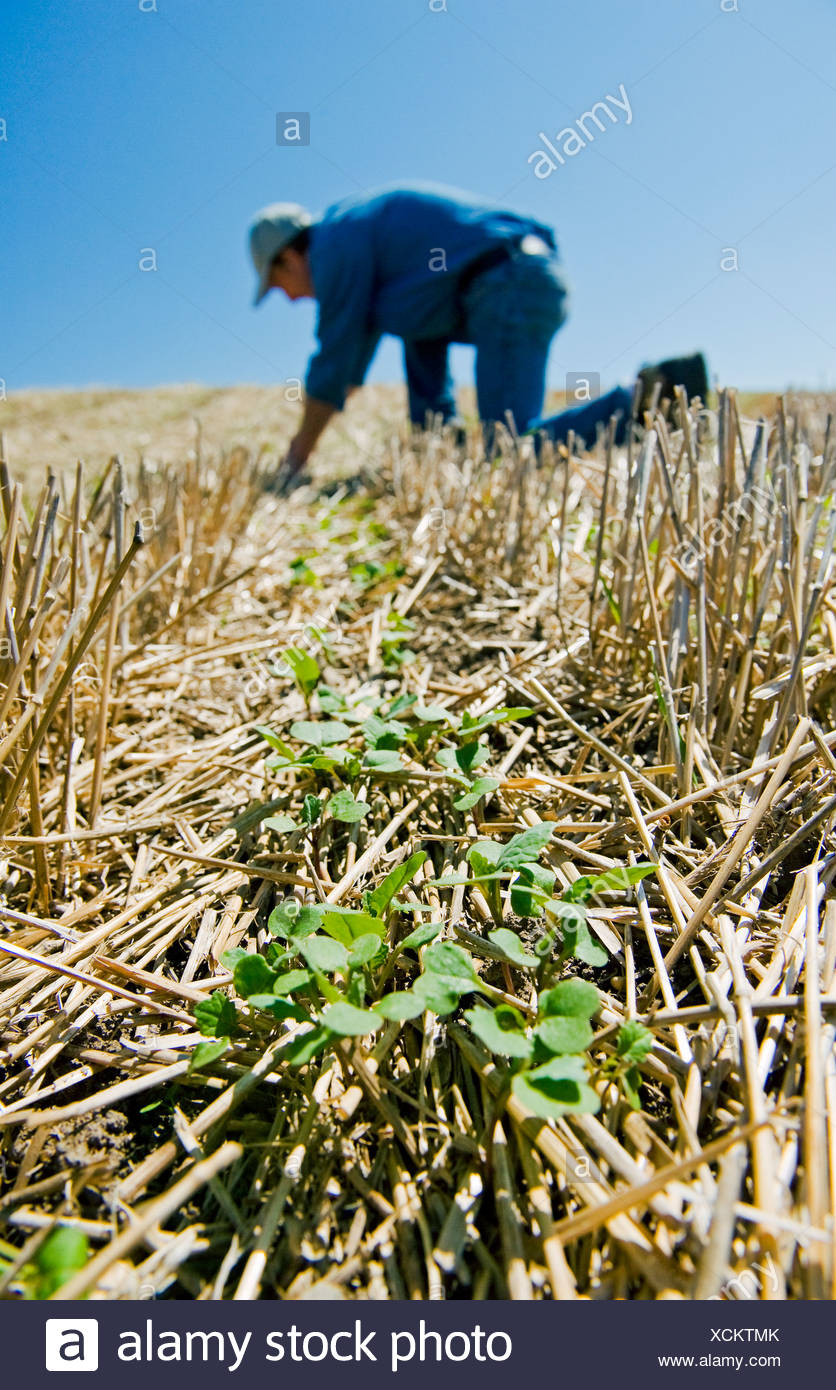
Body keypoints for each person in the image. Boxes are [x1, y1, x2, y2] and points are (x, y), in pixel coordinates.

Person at [248, 181, 569, 491]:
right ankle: (442, 448)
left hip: (512, 280)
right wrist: (435, 439)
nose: (289, 299)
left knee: (508, 453)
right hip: (511, 277)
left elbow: (335, 361)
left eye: (277, 286)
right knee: (413, 326)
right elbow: (351, 369)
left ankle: (619, 408)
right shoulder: (370, 253)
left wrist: (298, 454)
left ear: (289, 259)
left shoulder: (333, 243)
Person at [529, 351, 709, 451]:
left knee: (558, 433)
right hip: (624, 404)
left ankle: (526, 440)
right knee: (552, 434)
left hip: (630, 410)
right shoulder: (620, 405)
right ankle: (524, 441)